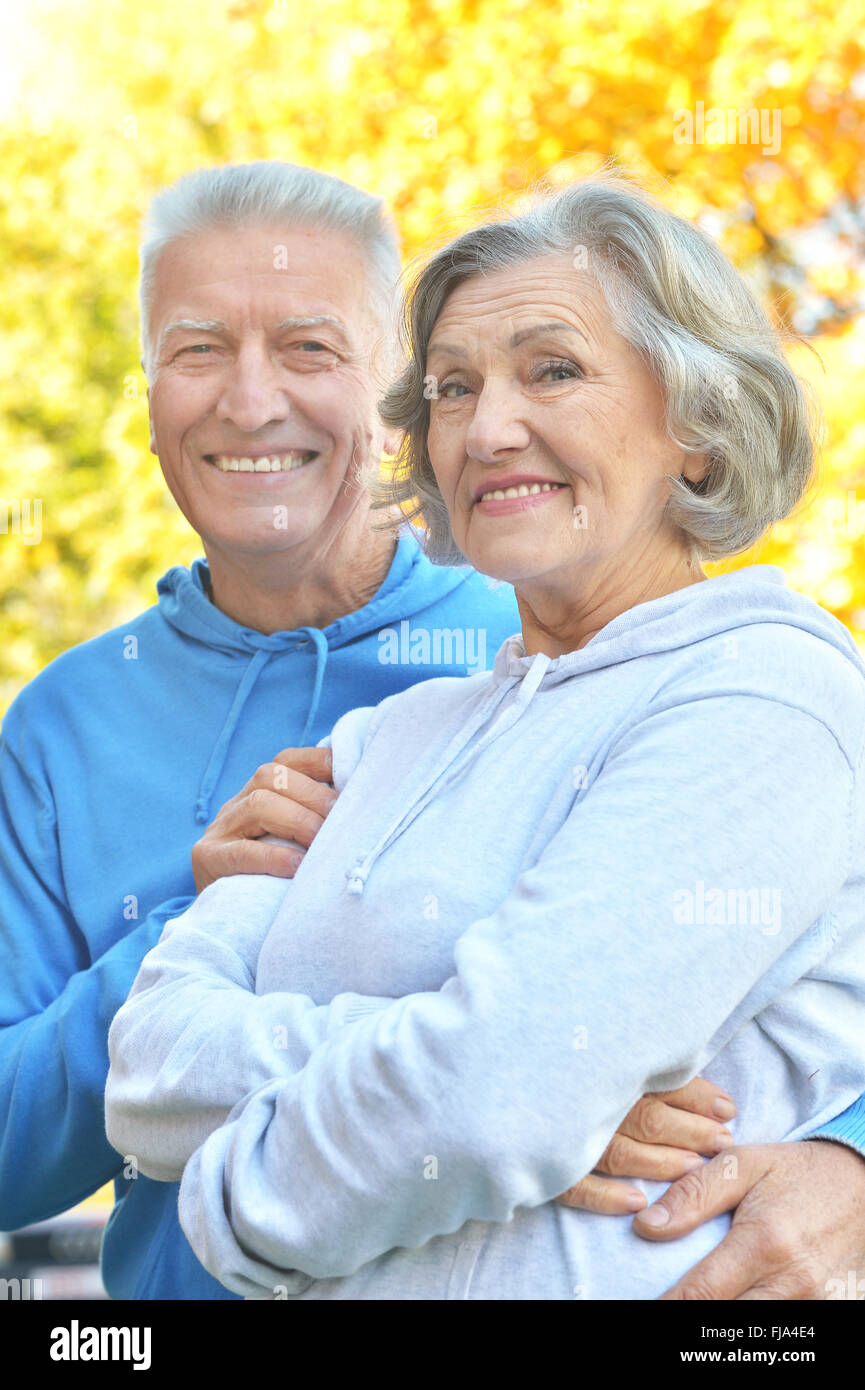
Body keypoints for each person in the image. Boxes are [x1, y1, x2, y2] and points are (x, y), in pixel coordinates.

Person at [105, 174, 865, 1299]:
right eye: (452, 388)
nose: (488, 426)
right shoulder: (387, 737)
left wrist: (227, 1208)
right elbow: (150, 1068)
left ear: (696, 433)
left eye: (552, 369)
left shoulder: (766, 692)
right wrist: (501, 1084)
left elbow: (492, 1088)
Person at [0, 161, 522, 1300]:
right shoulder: (59, 729)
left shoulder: (548, 638)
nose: (247, 403)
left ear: (397, 392)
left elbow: (806, 975)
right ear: (146, 394)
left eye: (307, 347)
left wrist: (841, 1156)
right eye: (196, 349)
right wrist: (196, 931)